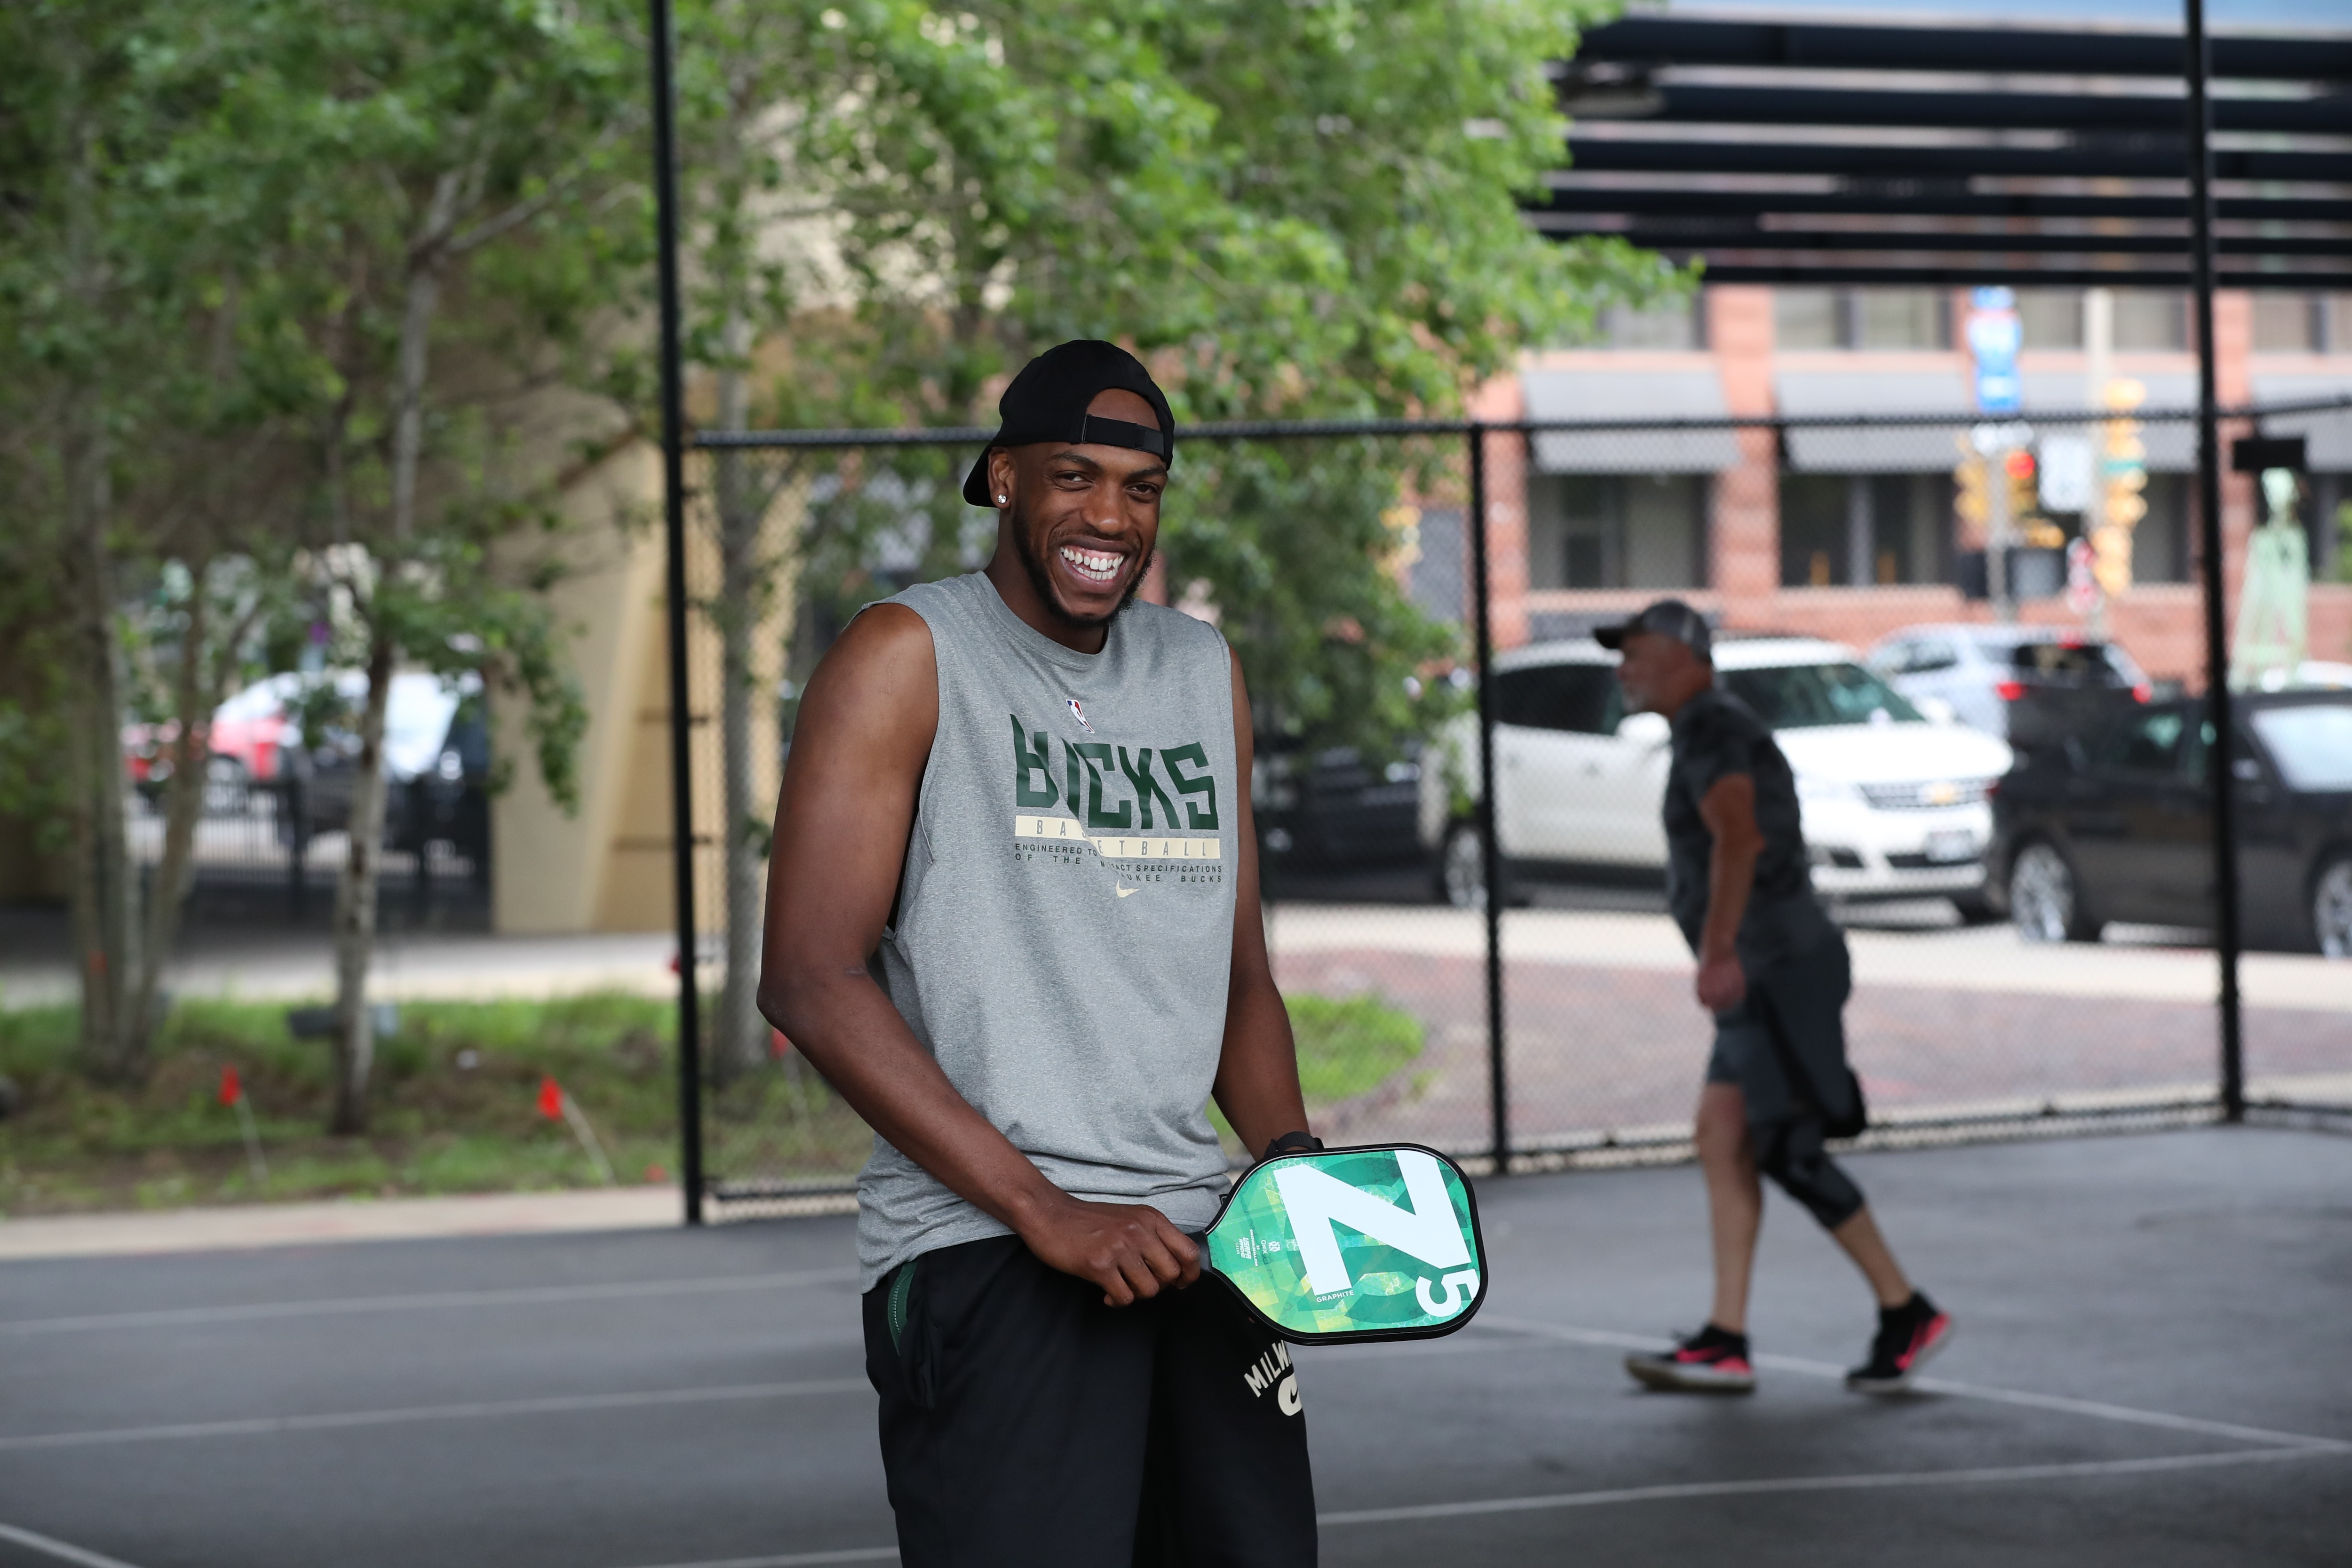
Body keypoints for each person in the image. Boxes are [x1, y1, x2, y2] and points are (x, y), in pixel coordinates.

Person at [757, 340, 1319, 1567]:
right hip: (988, 1244)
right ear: (1004, 478)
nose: (1110, 516)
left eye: (1140, 488)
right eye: (1076, 476)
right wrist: (1045, 1208)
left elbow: (1236, 974)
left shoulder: (1200, 668)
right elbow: (808, 976)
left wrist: (1294, 1173)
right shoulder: (906, 654)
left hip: (1199, 1246)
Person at [1603, 599, 1953, 1397]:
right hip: (1765, 970)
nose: (1623, 669)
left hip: (1775, 969)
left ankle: (1907, 1310)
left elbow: (1740, 834)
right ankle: (1726, 1339)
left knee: (1788, 1148)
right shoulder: (1703, 728)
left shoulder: (1715, 725)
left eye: (1635, 653)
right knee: (1722, 1135)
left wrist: (1720, 948)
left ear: (1682, 656)